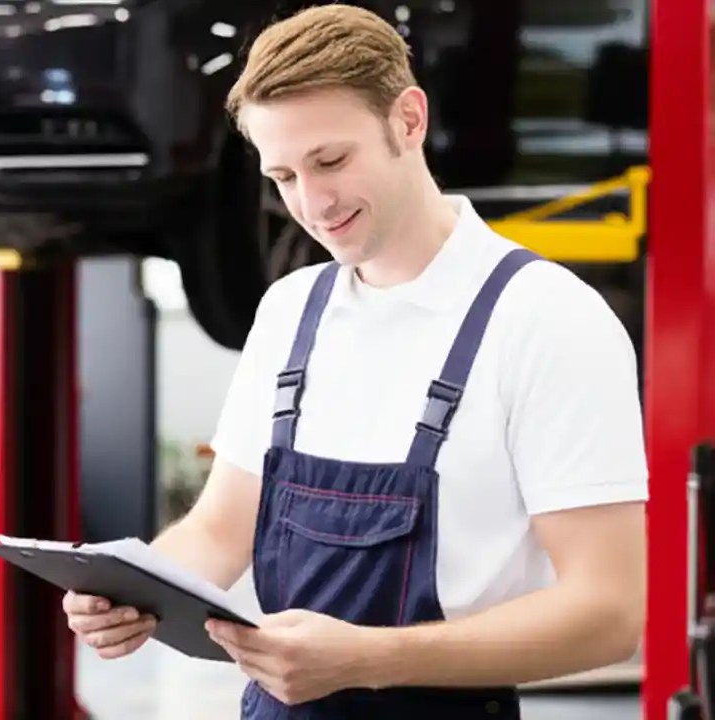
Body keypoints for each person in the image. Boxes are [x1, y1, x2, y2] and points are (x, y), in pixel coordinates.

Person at [62, 4, 648, 719]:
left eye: (331, 161)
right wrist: (138, 588)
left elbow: (610, 613)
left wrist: (367, 659)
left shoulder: (546, 321)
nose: (313, 203)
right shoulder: (289, 312)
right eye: (283, 176)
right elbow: (220, 529)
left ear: (408, 120)